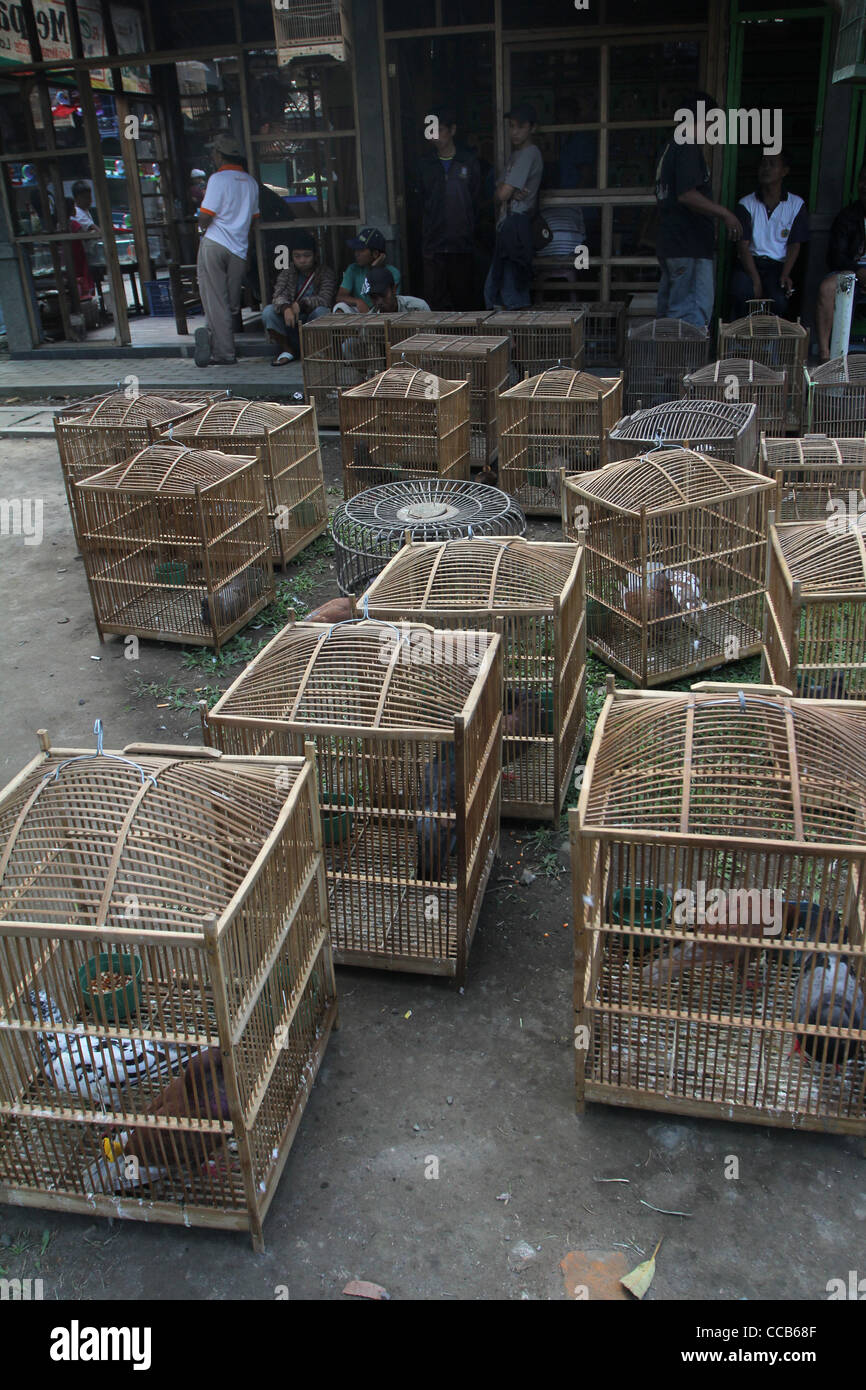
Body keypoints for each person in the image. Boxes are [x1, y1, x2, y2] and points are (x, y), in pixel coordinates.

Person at [654, 92, 742, 328]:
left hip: (674, 243)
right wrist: (725, 214)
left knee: (671, 317)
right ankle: (684, 366)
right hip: (687, 245)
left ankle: (669, 365)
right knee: (688, 318)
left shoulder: (671, 146)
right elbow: (687, 194)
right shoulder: (687, 144)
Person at [194, 133, 259, 367]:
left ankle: (223, 352)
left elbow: (205, 216)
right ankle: (212, 336)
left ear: (220, 155)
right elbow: (253, 219)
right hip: (239, 249)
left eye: (214, 152)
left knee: (215, 301)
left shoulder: (217, 180)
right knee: (230, 303)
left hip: (215, 242)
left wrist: (200, 228)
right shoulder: (251, 182)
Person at [414, 105, 480, 309]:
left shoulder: (468, 161)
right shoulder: (425, 165)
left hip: (461, 242)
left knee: (463, 297)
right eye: (431, 131)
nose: (435, 136)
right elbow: (419, 201)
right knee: (434, 299)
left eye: (440, 130)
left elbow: (476, 199)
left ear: (452, 130)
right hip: (433, 242)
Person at [730, 152, 809, 319]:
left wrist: (785, 274)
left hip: (777, 266)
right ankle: (742, 342)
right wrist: (755, 280)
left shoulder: (796, 204)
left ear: (784, 171)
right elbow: (743, 246)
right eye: (763, 164)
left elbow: (795, 245)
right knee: (742, 293)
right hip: (750, 263)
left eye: (772, 164)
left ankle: (769, 344)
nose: (766, 168)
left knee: (779, 301)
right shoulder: (746, 203)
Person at [484, 103, 543, 310]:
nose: (514, 132)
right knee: (498, 290)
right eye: (511, 126)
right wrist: (505, 192)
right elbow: (497, 195)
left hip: (516, 226)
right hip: (508, 225)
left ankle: (519, 339)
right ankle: (513, 338)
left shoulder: (529, 153)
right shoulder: (516, 156)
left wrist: (505, 192)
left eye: (520, 126)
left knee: (508, 292)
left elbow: (501, 194)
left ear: (532, 128)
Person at [261, 229, 336, 365]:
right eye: (297, 256)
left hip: (311, 318)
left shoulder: (325, 272)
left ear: (315, 255)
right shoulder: (287, 272)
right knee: (268, 312)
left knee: (322, 312)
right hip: (291, 320)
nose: (302, 260)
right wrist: (285, 308)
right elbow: (278, 295)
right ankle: (288, 350)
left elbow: (325, 299)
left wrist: (301, 305)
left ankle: (316, 350)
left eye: (306, 256)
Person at [815, 165, 866, 361]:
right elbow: (835, 257)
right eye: (862, 180)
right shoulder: (848, 216)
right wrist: (857, 271)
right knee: (827, 288)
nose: (865, 186)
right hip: (851, 273)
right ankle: (825, 355)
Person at [334, 227, 401, 312]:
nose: (356, 254)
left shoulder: (393, 272)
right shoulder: (353, 269)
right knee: (340, 307)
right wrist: (358, 301)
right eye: (356, 250)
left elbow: (391, 302)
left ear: (375, 254)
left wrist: (374, 268)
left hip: (383, 311)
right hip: (360, 312)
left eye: (361, 250)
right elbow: (340, 297)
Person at [364, 266, 430, 313]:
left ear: (394, 289)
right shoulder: (368, 321)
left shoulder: (419, 308)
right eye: (373, 297)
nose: (379, 302)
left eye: (382, 294)